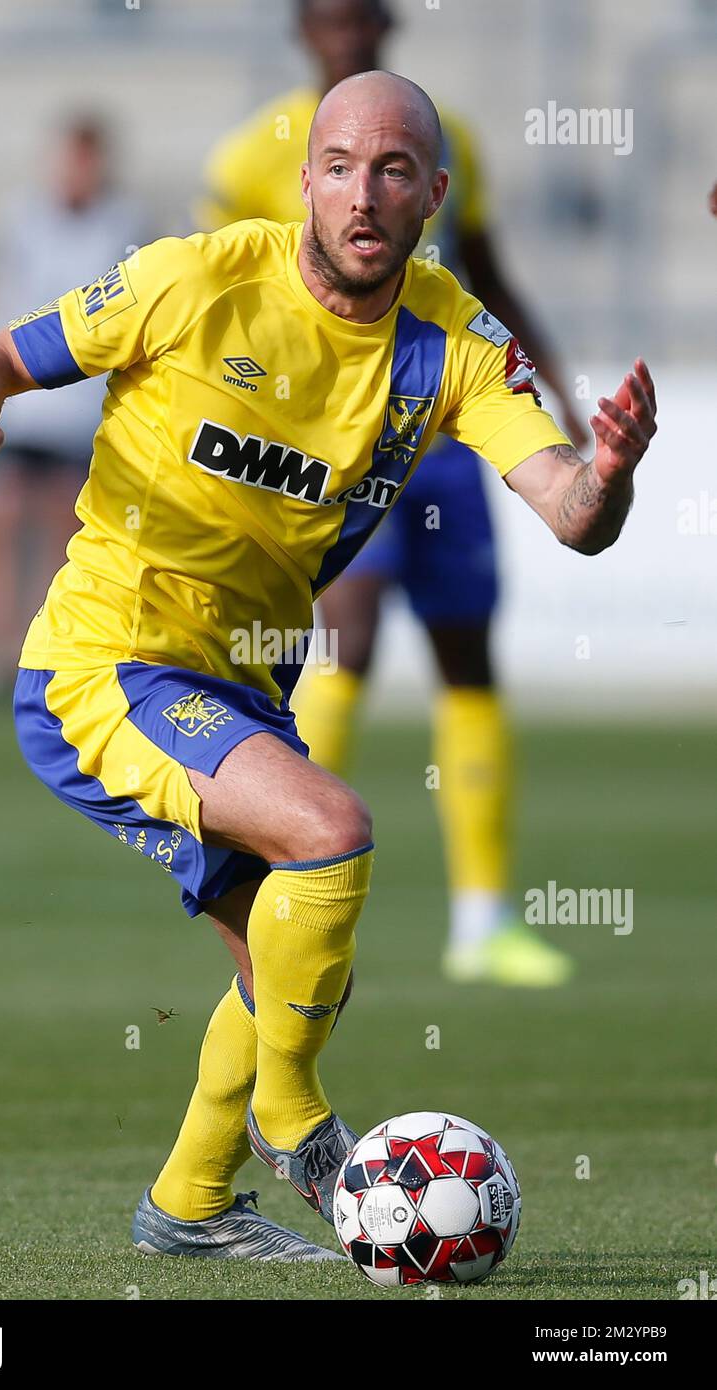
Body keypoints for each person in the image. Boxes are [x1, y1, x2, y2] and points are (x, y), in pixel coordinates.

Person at [0, 72, 656, 1262]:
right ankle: (291, 1116)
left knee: (291, 969)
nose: (363, 196)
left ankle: (191, 1204)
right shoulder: (193, 276)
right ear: (304, 176)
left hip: (238, 686)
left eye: (393, 172)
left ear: (434, 195)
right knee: (328, 828)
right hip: (105, 662)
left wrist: (607, 472)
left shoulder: (454, 341)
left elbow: (570, 512)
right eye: (339, 167)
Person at [199, 0, 590, 987]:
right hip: (335, 435)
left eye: (359, 15)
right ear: (303, 31)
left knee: (466, 654)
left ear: (383, 23)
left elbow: (486, 272)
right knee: (351, 640)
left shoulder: (441, 135)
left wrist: (551, 387)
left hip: (450, 431)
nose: (346, 31)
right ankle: (285, 873)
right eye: (328, 18)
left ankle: (482, 919)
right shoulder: (253, 155)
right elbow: (218, 303)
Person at [0, 115, 146, 690]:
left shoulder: (125, 226)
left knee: (62, 533)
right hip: (28, 412)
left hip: (84, 415)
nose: (77, 172)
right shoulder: (22, 219)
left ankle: (46, 657)